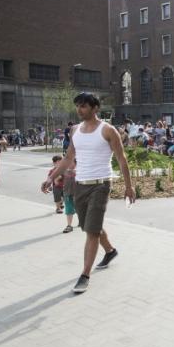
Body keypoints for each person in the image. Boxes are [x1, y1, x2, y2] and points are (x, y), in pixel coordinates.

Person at [42, 92, 135, 294]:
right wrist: (51, 178)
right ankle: (110, 251)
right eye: (78, 106)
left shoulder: (108, 130)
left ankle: (85, 275)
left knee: (91, 231)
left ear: (95, 108)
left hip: (101, 185)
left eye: (84, 106)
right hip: (79, 184)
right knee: (88, 226)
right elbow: (67, 159)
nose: (79, 110)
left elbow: (121, 159)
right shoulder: (75, 130)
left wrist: (129, 186)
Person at [62, 159, 77, 233]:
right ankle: (69, 226)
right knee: (68, 209)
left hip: (77, 194)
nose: (70, 164)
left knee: (79, 209)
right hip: (67, 194)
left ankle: (82, 221)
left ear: (75, 163)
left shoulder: (80, 172)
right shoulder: (64, 171)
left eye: (71, 162)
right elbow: (58, 180)